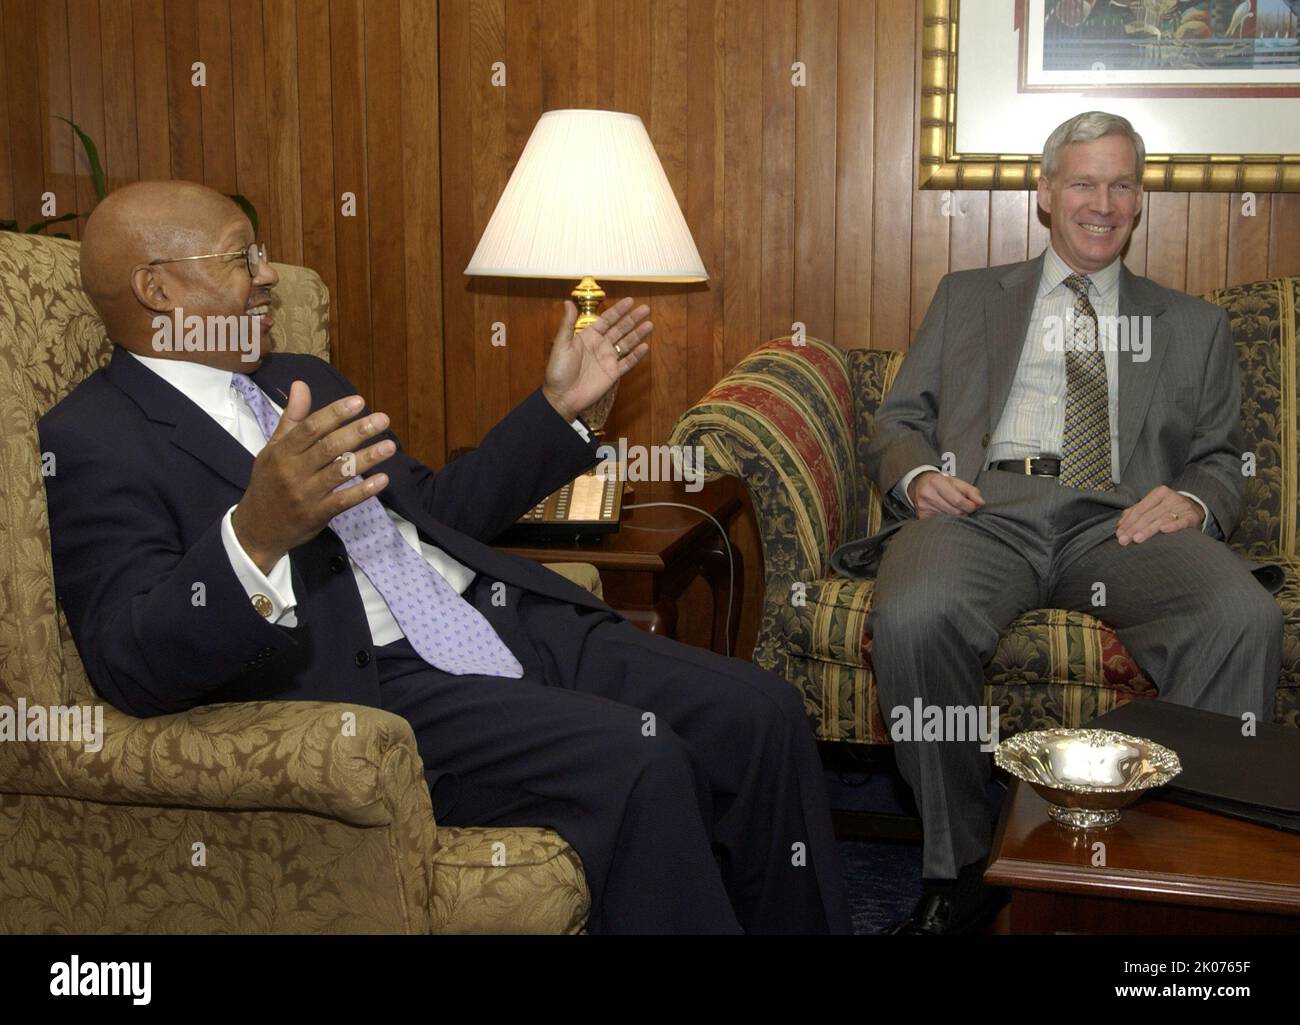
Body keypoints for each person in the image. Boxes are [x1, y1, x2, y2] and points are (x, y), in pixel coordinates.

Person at [39, 180, 852, 935]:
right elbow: (128, 659)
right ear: (158, 289)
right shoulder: (95, 439)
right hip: (384, 686)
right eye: (240, 256)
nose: (266, 278)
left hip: (499, 616)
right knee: (644, 762)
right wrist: (256, 532)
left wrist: (557, 411)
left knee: (762, 712)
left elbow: (436, 512)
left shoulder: (301, 378)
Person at [830, 111, 1281, 934]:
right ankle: (962, 867)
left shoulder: (1192, 325)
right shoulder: (968, 298)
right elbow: (896, 422)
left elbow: (1223, 457)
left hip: (1122, 523)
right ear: (1045, 194)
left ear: (1139, 200)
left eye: (1120, 184)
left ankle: (1188, 866)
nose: (1102, 202)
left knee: (1241, 616)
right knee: (915, 611)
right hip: (982, 510)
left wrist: (1196, 499)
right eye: (1083, 182)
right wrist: (921, 476)